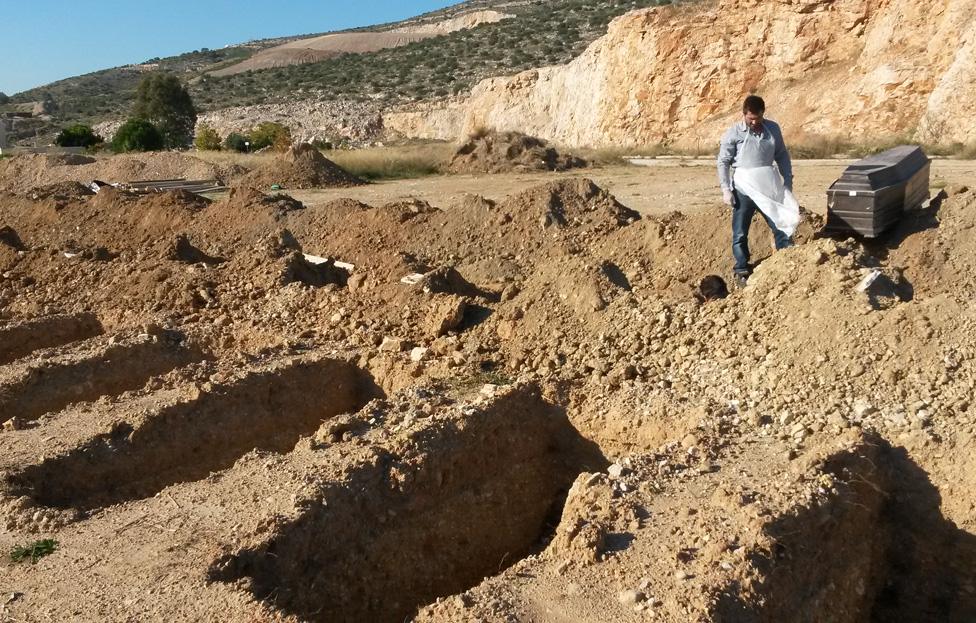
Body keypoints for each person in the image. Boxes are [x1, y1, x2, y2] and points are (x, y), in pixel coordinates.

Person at [717, 95, 799, 287]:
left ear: (763, 113)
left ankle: (786, 259)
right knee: (740, 232)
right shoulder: (734, 133)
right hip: (743, 188)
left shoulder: (773, 129)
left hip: (767, 185)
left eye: (757, 118)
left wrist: (787, 181)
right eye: (750, 118)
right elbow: (723, 162)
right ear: (744, 114)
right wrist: (726, 189)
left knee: (780, 222)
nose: (754, 122)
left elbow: (781, 155)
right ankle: (742, 269)